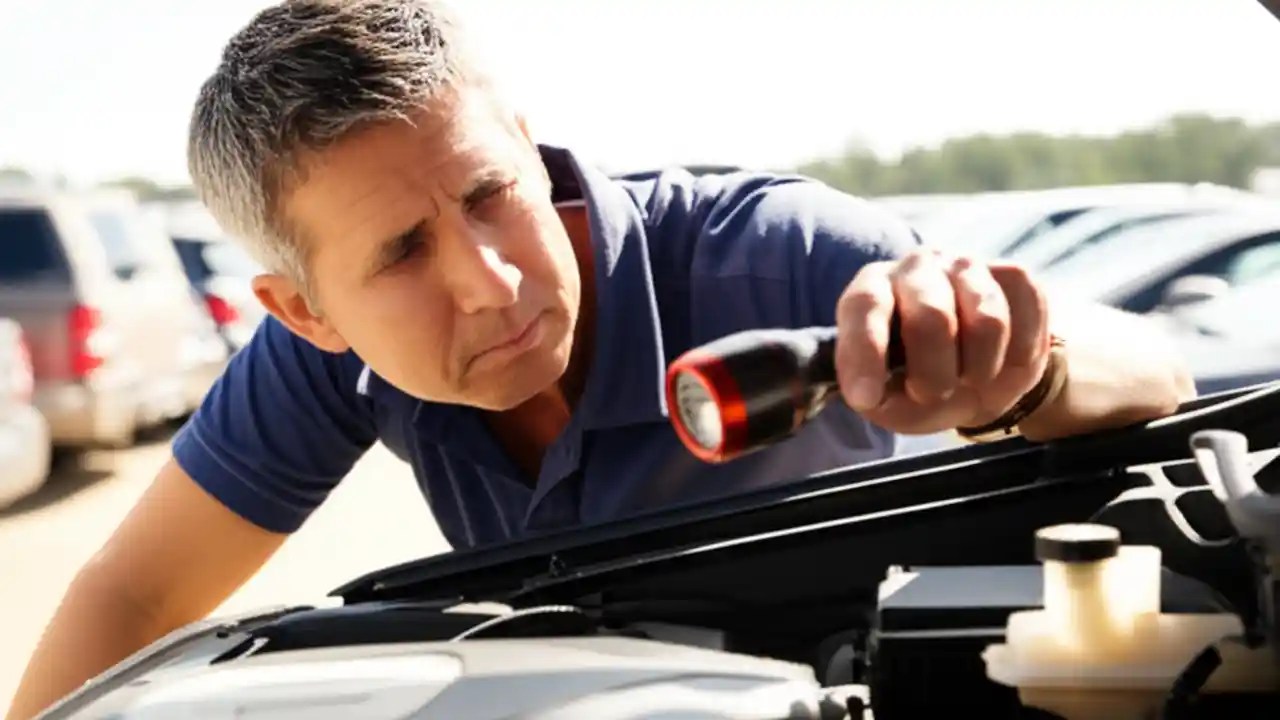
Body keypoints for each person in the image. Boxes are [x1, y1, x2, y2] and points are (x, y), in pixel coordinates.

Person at [5, 1, 1196, 717]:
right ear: (304, 310)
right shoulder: (326, 359)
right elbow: (138, 593)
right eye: (405, 251)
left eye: (488, 192)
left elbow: (1156, 376)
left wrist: (1018, 364)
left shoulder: (775, 256)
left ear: (526, 144)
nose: (492, 278)